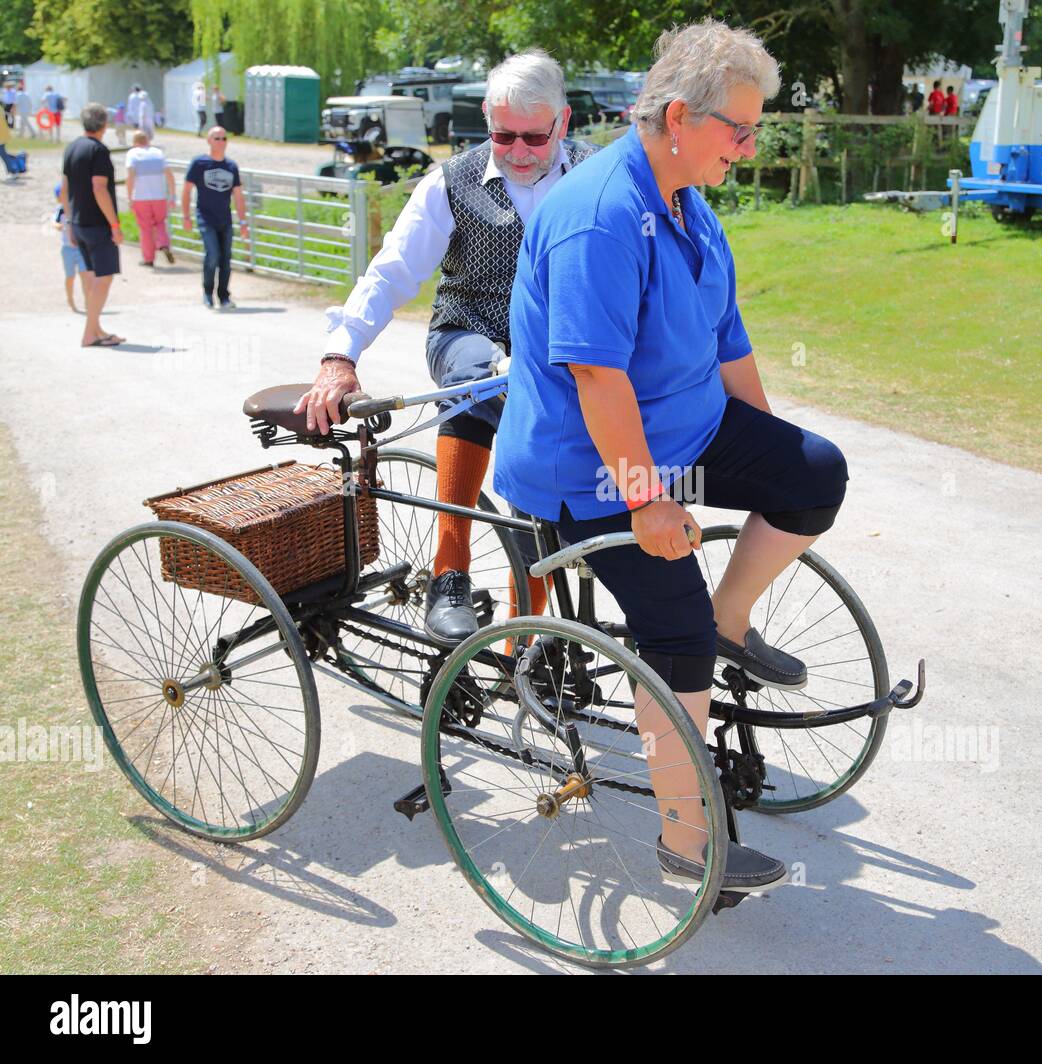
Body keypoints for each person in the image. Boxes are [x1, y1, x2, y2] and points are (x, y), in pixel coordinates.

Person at [494, 19, 848, 894]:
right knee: (674, 633)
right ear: (681, 116)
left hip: (679, 432)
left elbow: (731, 346)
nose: (751, 144)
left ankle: (729, 622)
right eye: (742, 127)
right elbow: (599, 381)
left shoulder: (691, 200)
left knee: (814, 471)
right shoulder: (601, 217)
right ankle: (688, 845)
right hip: (589, 468)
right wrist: (650, 503)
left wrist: (771, 449)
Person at [295, 49, 599, 646]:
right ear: (486, 117)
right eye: (501, 134)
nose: (515, 151)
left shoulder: (597, 176)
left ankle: (526, 634)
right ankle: (449, 572)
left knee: (566, 423)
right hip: (467, 333)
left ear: (563, 122)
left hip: (561, 349)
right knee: (495, 383)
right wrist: (340, 355)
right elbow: (391, 273)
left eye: (534, 138)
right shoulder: (452, 180)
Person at [61, 103, 125, 347]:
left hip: (78, 222)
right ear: (104, 125)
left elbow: (65, 189)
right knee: (104, 278)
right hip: (98, 225)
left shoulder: (72, 147)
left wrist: (69, 221)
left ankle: (97, 329)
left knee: (91, 278)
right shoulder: (98, 151)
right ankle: (90, 333)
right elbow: (100, 189)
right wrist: (115, 224)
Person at [182, 126, 248, 308]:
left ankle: (224, 296)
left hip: (225, 219)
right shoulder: (199, 164)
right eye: (217, 138)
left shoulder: (231, 166)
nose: (221, 142)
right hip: (205, 218)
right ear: (209, 141)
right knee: (212, 254)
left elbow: (239, 196)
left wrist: (243, 221)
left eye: (224, 138)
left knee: (226, 258)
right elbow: (187, 190)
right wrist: (186, 216)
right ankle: (207, 292)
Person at [125, 129, 175, 266]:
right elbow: (169, 175)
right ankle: (163, 243)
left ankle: (148, 258)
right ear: (148, 140)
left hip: (141, 197)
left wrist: (129, 197)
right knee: (160, 223)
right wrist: (172, 195)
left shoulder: (132, 154)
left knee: (146, 228)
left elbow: (130, 177)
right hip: (159, 196)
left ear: (134, 142)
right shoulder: (158, 153)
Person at [53, 182, 93, 311]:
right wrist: (59, 225)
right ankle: (70, 299)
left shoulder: (77, 207)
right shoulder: (60, 209)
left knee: (85, 275)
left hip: (81, 247)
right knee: (70, 276)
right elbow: (55, 222)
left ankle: (88, 302)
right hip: (67, 248)